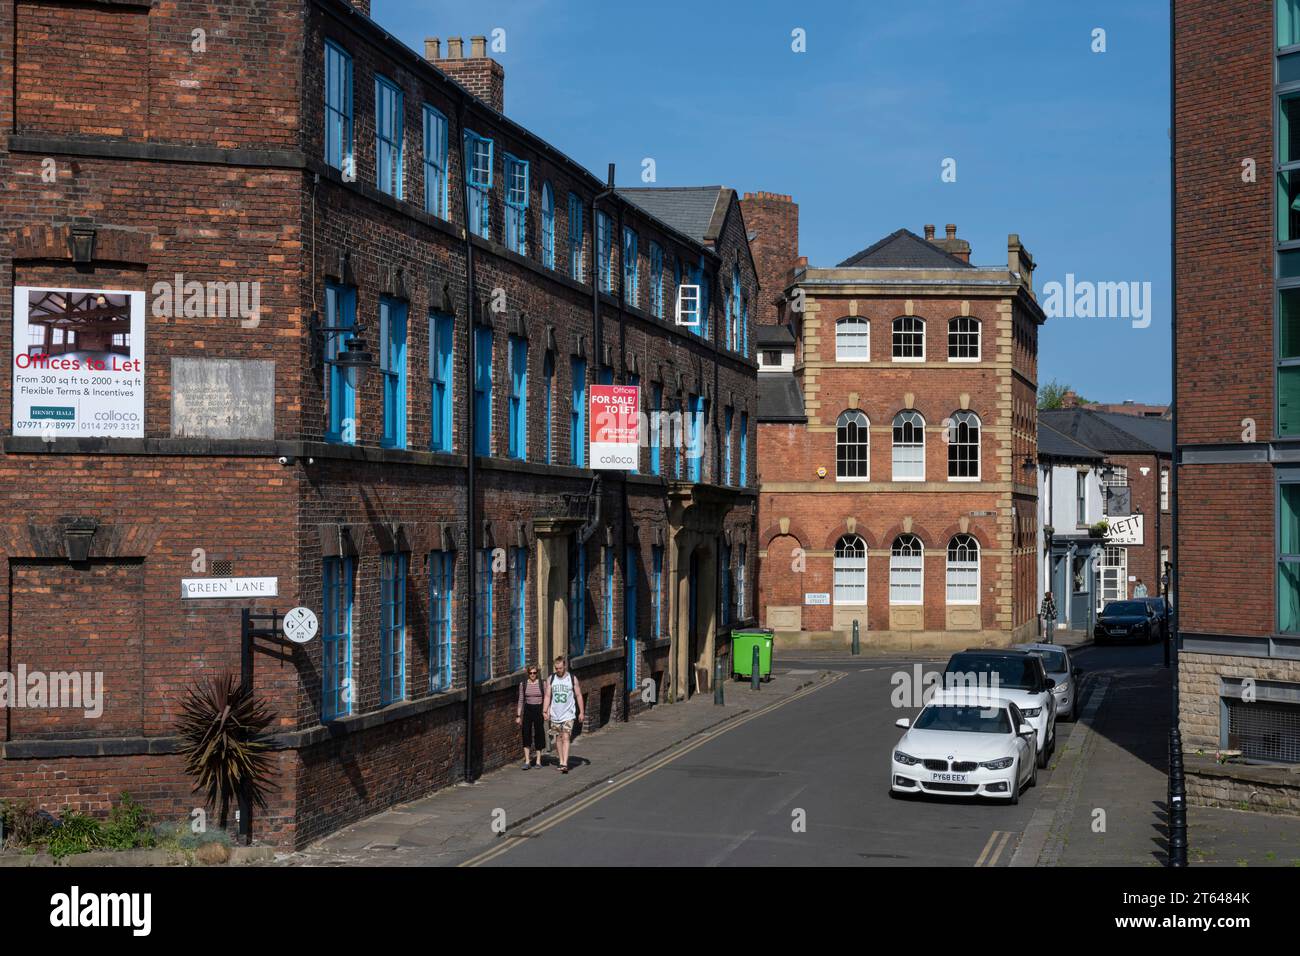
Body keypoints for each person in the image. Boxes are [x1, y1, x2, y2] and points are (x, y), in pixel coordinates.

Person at [544, 655, 585, 774]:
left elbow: (578, 695)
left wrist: (581, 712)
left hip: (568, 714)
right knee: (558, 738)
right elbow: (547, 696)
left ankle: (564, 763)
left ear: (565, 666)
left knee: (566, 736)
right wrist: (545, 711)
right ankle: (561, 760)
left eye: (560, 668)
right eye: (556, 668)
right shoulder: (551, 679)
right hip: (555, 714)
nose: (558, 670)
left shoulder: (572, 679)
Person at [516, 665, 547, 770]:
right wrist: (518, 715)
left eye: (534, 673)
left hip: (539, 709)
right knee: (526, 733)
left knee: (539, 733)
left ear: (537, 673)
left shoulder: (542, 684)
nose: (532, 675)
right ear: (528, 674)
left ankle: (538, 760)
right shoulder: (523, 684)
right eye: (531, 673)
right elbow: (521, 700)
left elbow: (547, 698)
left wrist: (547, 711)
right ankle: (527, 761)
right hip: (528, 710)